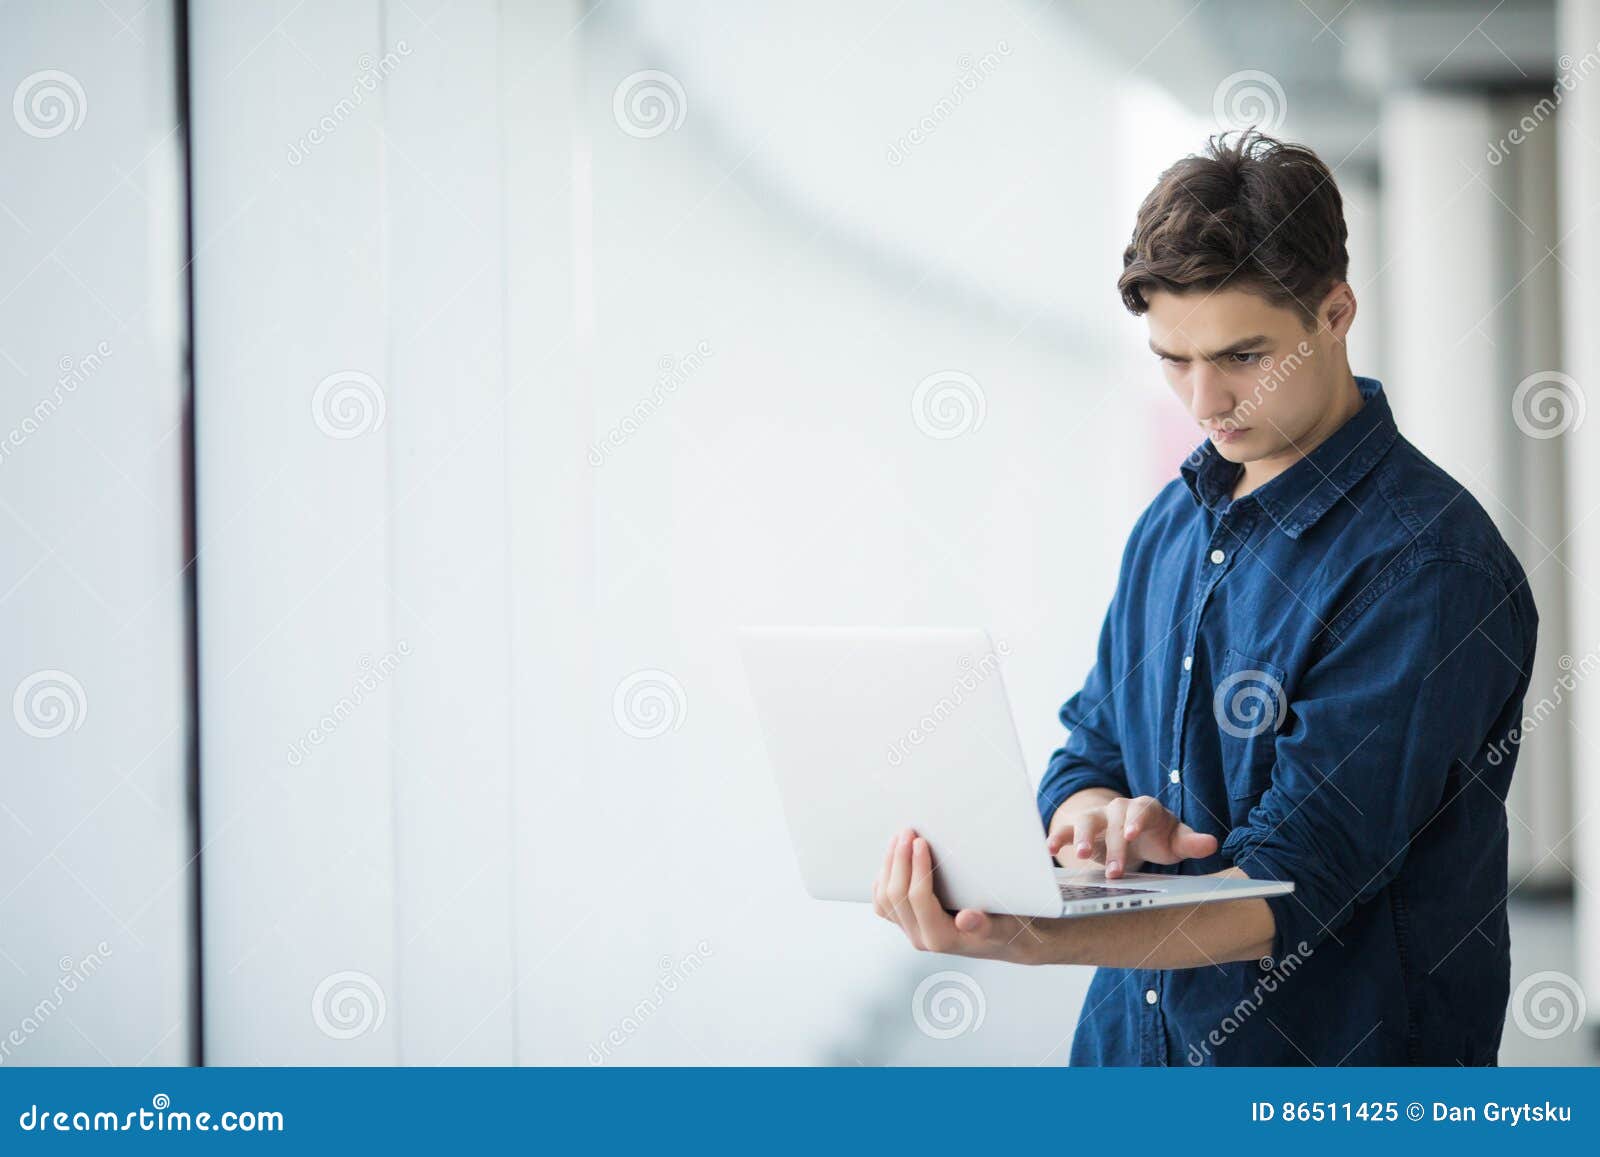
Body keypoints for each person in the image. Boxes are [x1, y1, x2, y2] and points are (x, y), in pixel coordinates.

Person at [872, 131, 1538, 1066]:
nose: (1204, 398)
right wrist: (1095, 814)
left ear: (1336, 312)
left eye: (1241, 355)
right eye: (1171, 359)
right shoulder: (1173, 523)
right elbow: (1090, 745)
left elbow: (1286, 887)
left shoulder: (1430, 567)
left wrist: (1031, 936)